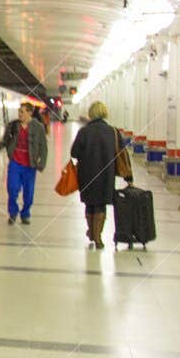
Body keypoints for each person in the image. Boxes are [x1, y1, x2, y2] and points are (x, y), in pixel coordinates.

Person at [70, 100, 131, 249]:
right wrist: (129, 178)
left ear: (91, 114)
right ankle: (98, 237)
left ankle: (91, 233)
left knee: (89, 203)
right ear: (104, 113)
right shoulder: (113, 132)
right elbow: (123, 155)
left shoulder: (84, 132)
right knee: (100, 205)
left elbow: (74, 153)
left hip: (86, 174)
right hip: (106, 175)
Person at [3, 103, 47, 224]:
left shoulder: (38, 127)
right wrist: (10, 152)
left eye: (22, 112)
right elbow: (5, 139)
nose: (19, 114)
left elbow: (43, 147)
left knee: (28, 192)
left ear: (30, 113)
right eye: (19, 111)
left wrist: (41, 162)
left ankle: (25, 213)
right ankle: (13, 212)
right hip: (15, 163)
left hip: (29, 165)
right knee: (12, 188)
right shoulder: (13, 125)